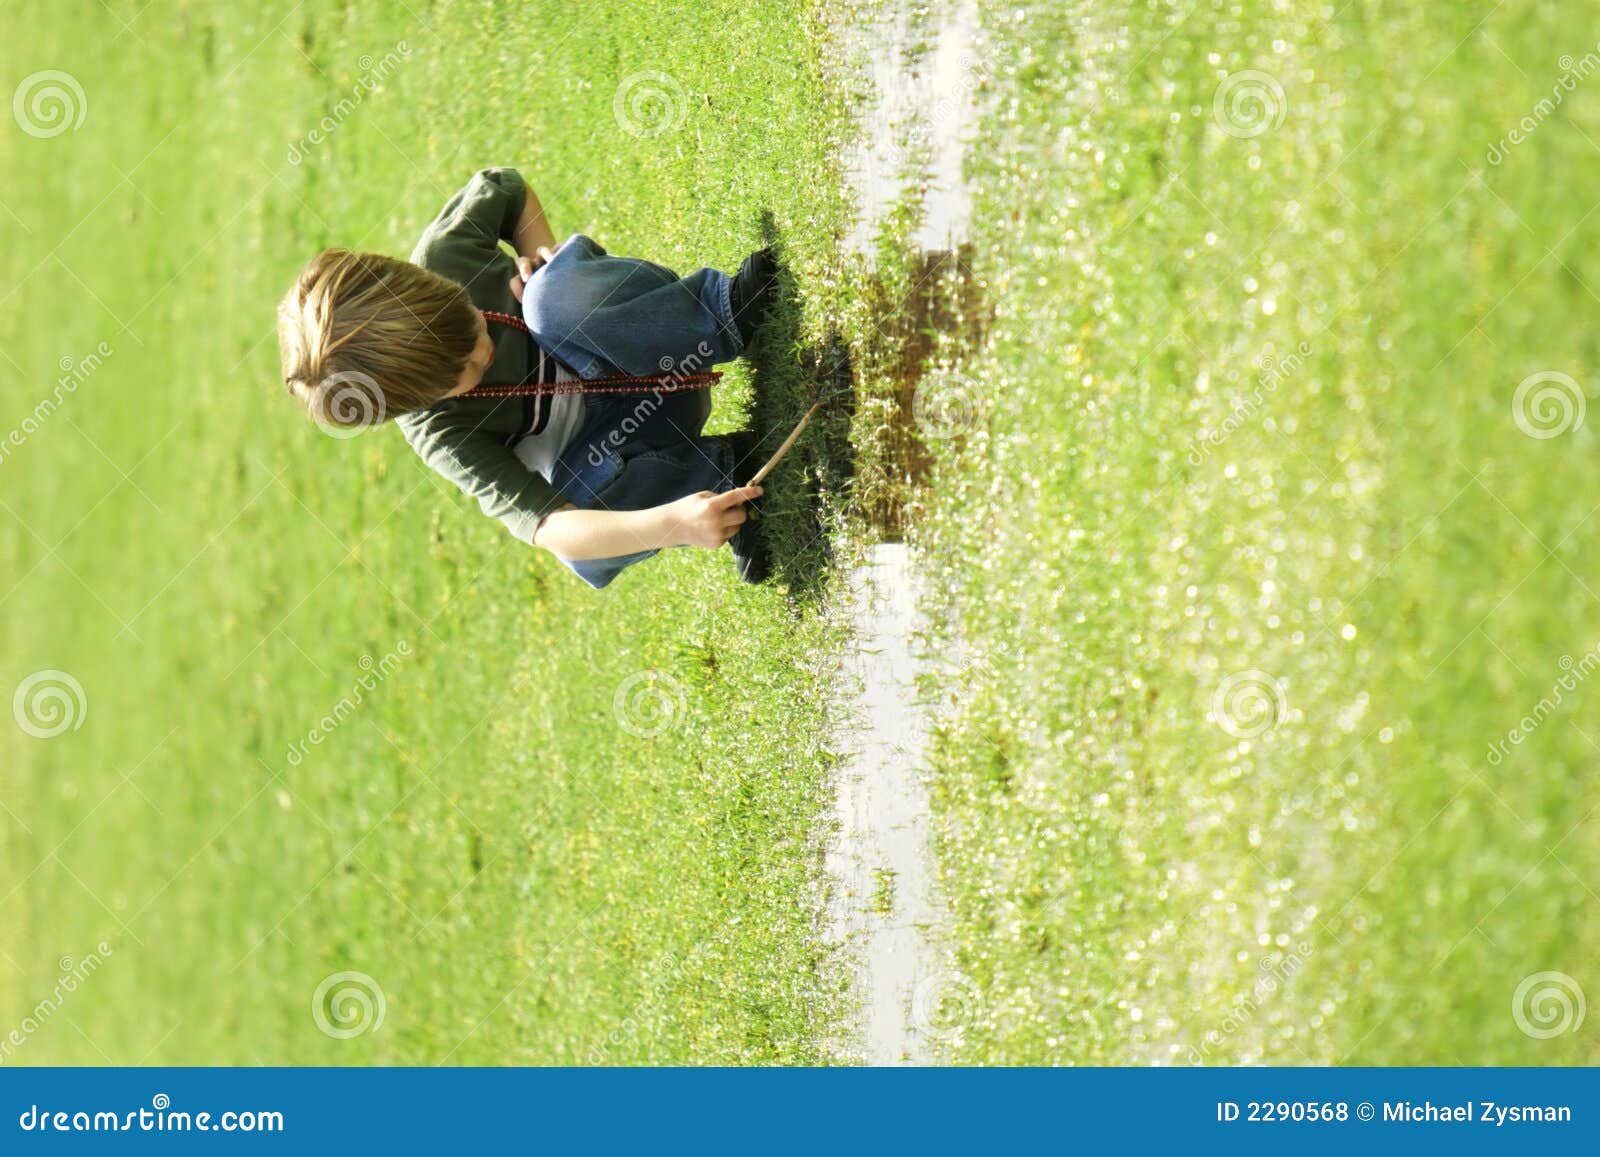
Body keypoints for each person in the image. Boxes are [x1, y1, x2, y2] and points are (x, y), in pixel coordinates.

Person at [276, 167, 777, 586]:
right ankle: (724, 483)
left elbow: (507, 189)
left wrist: (541, 255)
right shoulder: (443, 436)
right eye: (459, 375)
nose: (480, 354)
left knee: (546, 302)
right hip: (641, 442)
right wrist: (673, 525)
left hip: (658, 341)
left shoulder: (446, 254)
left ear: (430, 281)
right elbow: (552, 529)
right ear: (418, 403)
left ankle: (723, 313)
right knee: (580, 538)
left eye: (465, 322)